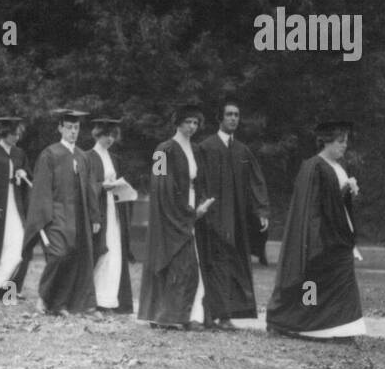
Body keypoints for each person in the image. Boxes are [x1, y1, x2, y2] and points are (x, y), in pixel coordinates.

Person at [266, 121, 365, 340]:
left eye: (346, 141)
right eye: (340, 141)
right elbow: (311, 204)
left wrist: (347, 191)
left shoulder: (338, 167)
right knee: (310, 284)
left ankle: (341, 328)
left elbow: (334, 200)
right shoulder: (314, 166)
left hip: (340, 233)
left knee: (341, 281)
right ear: (326, 141)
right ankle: (298, 321)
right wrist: (315, 238)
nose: (344, 146)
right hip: (322, 234)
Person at [138, 105, 215, 329]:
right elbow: (160, 185)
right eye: (188, 121)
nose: (192, 127)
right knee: (179, 262)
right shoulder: (163, 150)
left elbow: (199, 181)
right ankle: (167, 316)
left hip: (191, 208)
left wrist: (200, 205)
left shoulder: (196, 149)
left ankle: (193, 315)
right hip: (169, 213)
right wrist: (187, 212)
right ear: (178, 122)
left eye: (195, 123)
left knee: (194, 263)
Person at [196, 98, 270, 328]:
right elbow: (199, 183)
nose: (233, 118)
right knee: (214, 264)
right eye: (229, 114)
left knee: (233, 265)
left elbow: (255, 183)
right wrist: (203, 209)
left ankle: (228, 314)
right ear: (220, 118)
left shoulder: (242, 151)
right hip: (212, 218)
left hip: (237, 220)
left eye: (236, 115)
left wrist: (261, 211)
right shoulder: (206, 147)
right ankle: (212, 314)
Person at [23, 109, 102, 316]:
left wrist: (95, 216)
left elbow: (91, 189)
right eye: (69, 127)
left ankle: (59, 304)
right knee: (58, 255)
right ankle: (43, 296)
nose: (73, 132)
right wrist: (43, 218)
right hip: (56, 214)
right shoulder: (50, 154)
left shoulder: (83, 157)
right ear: (60, 128)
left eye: (76, 128)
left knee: (74, 257)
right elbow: (41, 189)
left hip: (79, 216)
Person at [0, 116, 35, 300]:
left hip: (16, 205)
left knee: (19, 245)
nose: (17, 137)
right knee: (0, 247)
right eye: (14, 133)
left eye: (19, 134)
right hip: (0, 205)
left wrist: (23, 173)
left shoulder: (19, 153)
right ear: (4, 132)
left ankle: (10, 291)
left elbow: (29, 177)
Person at [88, 117, 136, 313]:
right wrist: (102, 187)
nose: (109, 139)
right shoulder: (88, 157)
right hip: (99, 210)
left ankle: (110, 300)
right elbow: (88, 187)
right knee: (102, 252)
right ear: (98, 134)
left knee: (115, 253)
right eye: (106, 135)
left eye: (113, 136)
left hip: (113, 210)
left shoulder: (114, 159)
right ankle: (95, 299)